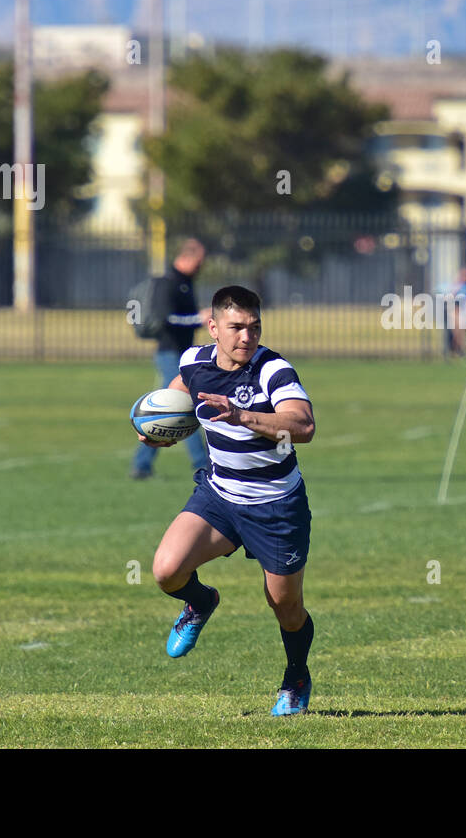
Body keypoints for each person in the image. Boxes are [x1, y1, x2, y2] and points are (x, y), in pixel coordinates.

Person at [143, 286, 319, 716]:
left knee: (286, 607)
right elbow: (180, 391)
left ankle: (296, 676)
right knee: (166, 571)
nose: (246, 337)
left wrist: (242, 416)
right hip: (219, 496)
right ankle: (202, 602)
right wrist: (160, 428)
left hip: (276, 506)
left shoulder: (273, 371)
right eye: (237, 327)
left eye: (254, 327)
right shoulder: (194, 362)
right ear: (214, 328)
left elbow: (303, 425)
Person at [130, 238, 211, 479]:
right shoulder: (169, 282)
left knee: (165, 410)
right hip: (169, 353)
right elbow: (166, 319)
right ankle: (204, 463)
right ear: (187, 257)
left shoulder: (186, 282)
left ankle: (142, 465)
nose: (202, 266)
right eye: (199, 261)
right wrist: (198, 318)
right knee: (184, 407)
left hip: (183, 353)